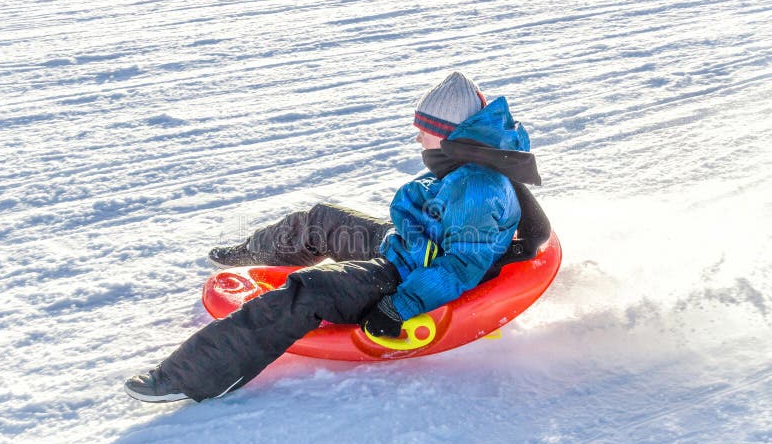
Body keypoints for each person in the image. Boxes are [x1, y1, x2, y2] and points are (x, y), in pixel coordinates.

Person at [124, 71, 542, 403]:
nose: (417, 137)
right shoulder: (464, 166)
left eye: (425, 129)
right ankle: (253, 254)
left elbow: (458, 265)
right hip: (408, 245)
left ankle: (186, 377)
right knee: (323, 219)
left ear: (451, 135)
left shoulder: (478, 188)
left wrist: (401, 306)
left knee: (311, 291)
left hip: (409, 274)